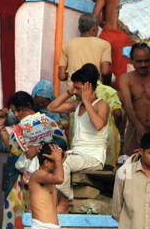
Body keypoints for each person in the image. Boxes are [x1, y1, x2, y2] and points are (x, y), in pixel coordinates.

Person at [0, 91, 66, 229]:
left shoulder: (20, 129)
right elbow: (62, 143)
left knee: (14, 226)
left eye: (13, 112)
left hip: (20, 186)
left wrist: (3, 129)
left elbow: (13, 152)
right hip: (45, 181)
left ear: (17, 112)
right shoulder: (50, 123)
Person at [46, 64, 111, 192]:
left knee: (63, 163)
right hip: (76, 153)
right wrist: (70, 92)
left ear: (89, 87)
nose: (75, 91)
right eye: (74, 88)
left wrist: (87, 101)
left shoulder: (101, 105)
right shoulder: (77, 104)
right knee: (48, 157)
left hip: (94, 157)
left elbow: (98, 125)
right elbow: (51, 108)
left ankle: (63, 203)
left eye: (78, 88)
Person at [94, 0, 140, 78]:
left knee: (103, 77)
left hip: (106, 35)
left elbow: (95, 14)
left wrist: (102, 23)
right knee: (122, 77)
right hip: (125, 38)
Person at [58, 13, 113, 83]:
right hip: (94, 90)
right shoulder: (104, 45)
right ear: (94, 28)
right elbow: (105, 72)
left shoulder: (67, 45)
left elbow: (61, 76)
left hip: (74, 90)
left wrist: (73, 75)